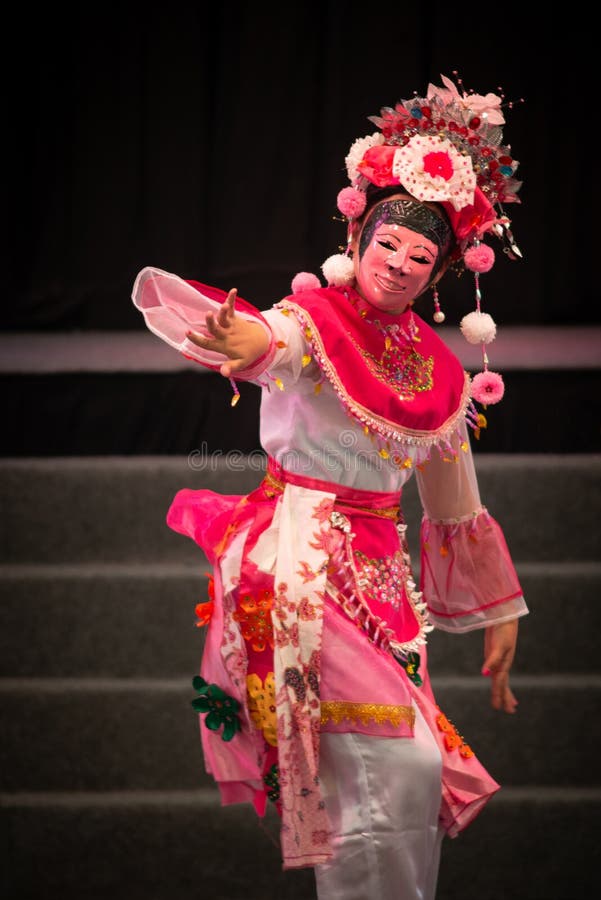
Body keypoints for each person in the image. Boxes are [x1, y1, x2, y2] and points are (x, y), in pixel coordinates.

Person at [132, 74, 528, 900]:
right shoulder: (311, 319)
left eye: (420, 258)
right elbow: (267, 337)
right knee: (396, 764)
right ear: (358, 235)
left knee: (399, 777)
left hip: (381, 581)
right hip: (299, 561)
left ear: (442, 271)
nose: (399, 265)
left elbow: (453, 501)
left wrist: (497, 615)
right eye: (387, 246)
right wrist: (238, 335)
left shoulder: (440, 370)